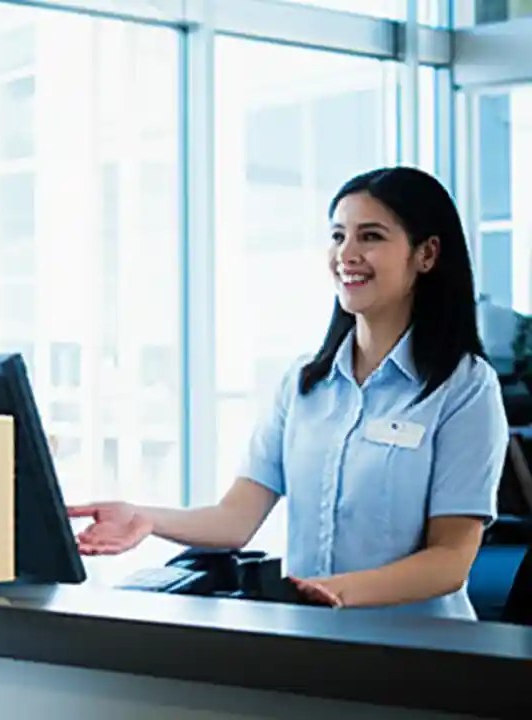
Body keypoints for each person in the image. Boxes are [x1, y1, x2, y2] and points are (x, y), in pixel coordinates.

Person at [69, 166, 507, 621]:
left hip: (420, 655)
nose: (347, 254)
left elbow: (450, 560)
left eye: (370, 237)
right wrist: (146, 518)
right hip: (311, 644)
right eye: (338, 236)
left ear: (427, 254)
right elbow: (235, 519)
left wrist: (333, 592)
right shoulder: (304, 384)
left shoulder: (464, 388)